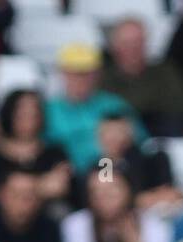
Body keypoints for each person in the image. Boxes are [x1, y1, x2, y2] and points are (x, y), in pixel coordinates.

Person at [45, 42, 148, 172]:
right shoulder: (49, 110)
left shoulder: (115, 105)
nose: (82, 79)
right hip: (66, 176)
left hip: (107, 172)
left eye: (88, 73)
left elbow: (139, 142)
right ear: (64, 73)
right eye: (76, 72)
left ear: (97, 74)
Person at [100, 17, 183, 137]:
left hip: (163, 136)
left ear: (146, 43)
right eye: (126, 43)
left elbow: (180, 107)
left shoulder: (166, 72)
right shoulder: (103, 77)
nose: (133, 48)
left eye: (138, 42)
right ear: (114, 47)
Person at [0, 90, 72, 214]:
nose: (29, 114)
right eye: (22, 110)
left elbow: (59, 188)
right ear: (10, 112)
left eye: (34, 109)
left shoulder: (55, 153)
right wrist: (41, 186)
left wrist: (15, 191)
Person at [79, 113, 182, 215]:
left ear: (130, 134)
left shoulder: (154, 159)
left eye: (118, 131)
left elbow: (170, 195)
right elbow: (103, 201)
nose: (113, 137)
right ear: (99, 137)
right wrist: (137, 199)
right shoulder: (101, 167)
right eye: (108, 132)